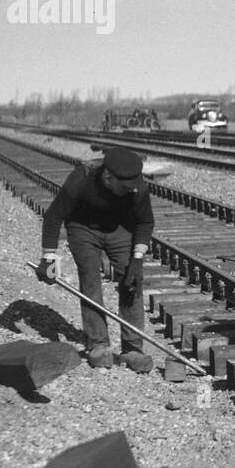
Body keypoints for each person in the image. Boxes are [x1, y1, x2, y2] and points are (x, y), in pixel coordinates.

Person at [36, 146, 155, 372]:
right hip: (83, 227)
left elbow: (145, 222)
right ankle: (98, 345)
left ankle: (132, 348)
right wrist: (48, 258)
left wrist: (137, 260)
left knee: (132, 281)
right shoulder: (82, 178)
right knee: (90, 277)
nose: (130, 190)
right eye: (124, 187)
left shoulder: (136, 186)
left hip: (120, 228)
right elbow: (54, 216)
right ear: (108, 177)